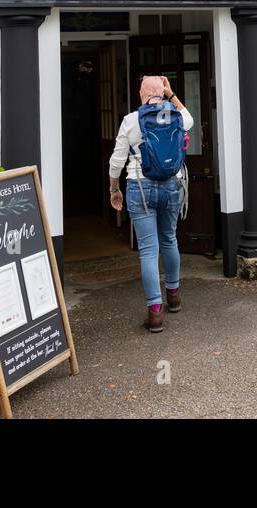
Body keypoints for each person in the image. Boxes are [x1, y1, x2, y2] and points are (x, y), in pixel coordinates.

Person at [108, 75, 193, 333]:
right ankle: (174, 296)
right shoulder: (176, 115)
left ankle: (155, 312)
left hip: (139, 188)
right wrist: (171, 94)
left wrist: (114, 189)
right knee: (169, 239)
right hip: (171, 185)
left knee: (148, 249)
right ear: (163, 91)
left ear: (140, 94)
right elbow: (189, 119)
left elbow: (117, 160)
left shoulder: (132, 121)